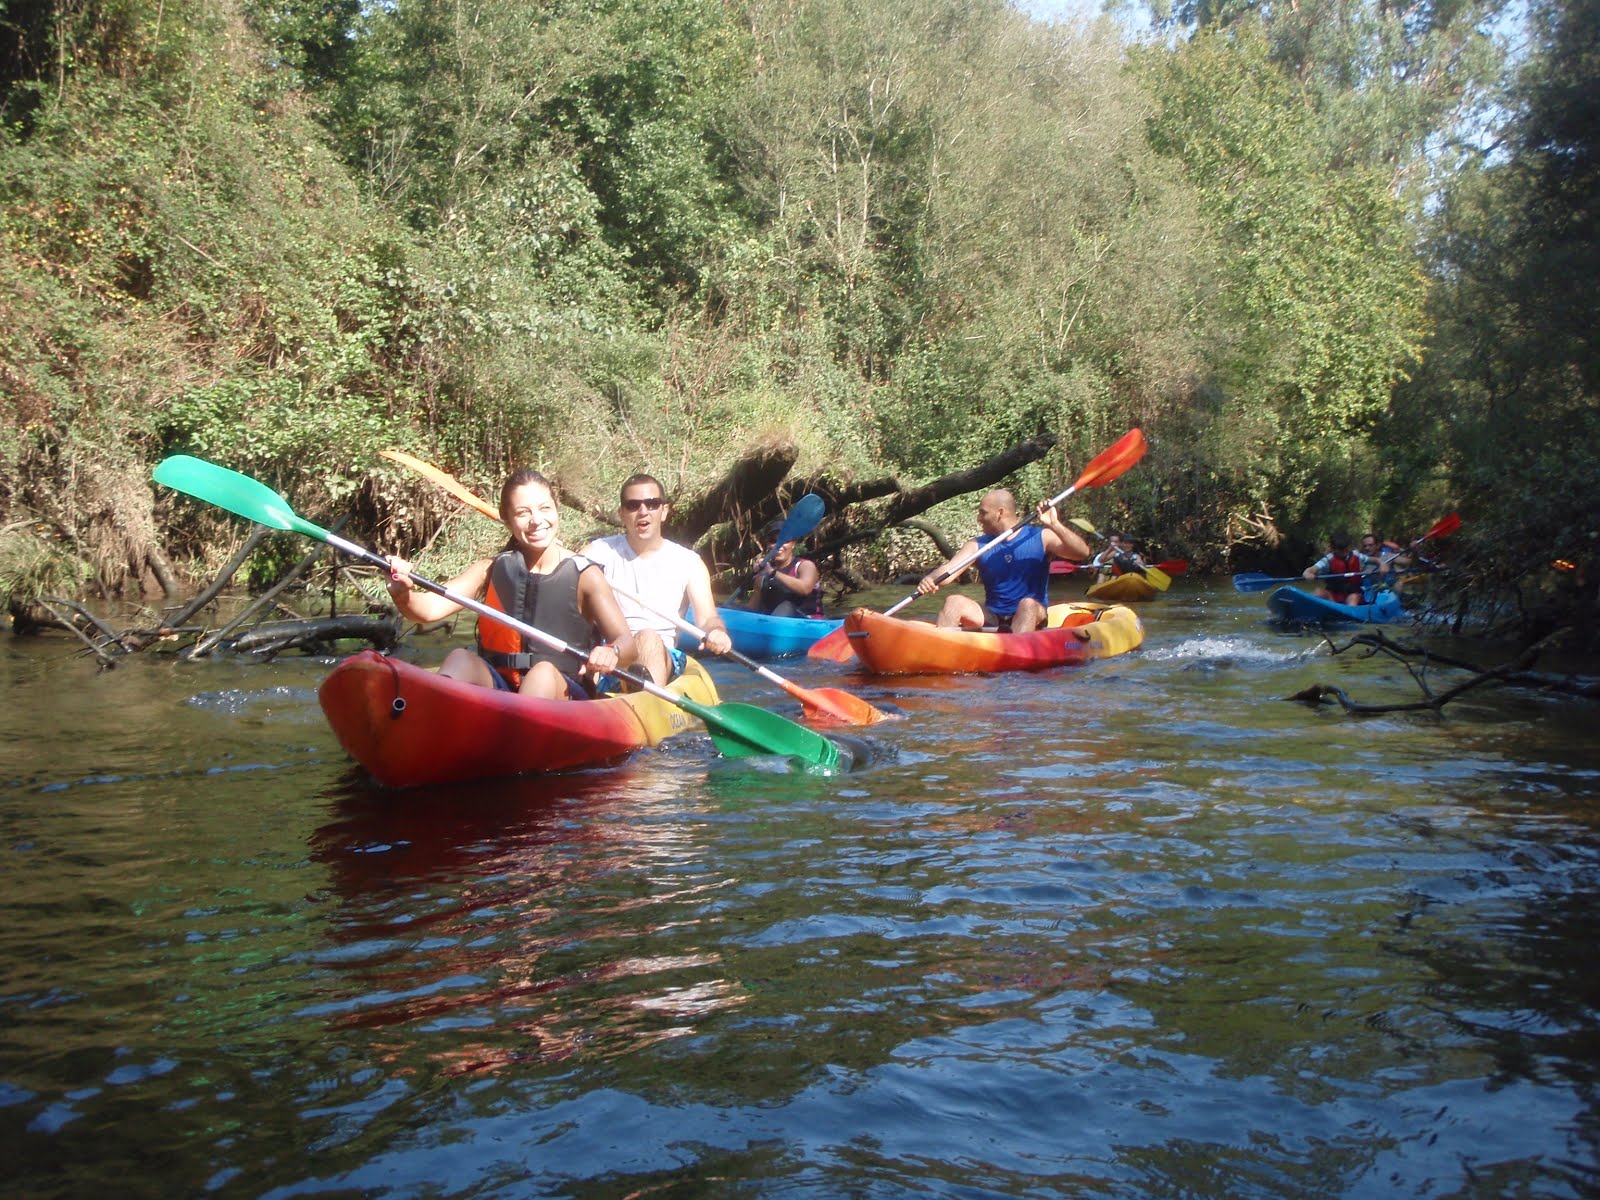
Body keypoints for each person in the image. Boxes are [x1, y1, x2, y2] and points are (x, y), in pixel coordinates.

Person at [384, 469, 635, 700]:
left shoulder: (585, 575)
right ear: (507, 519)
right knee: (460, 658)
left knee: (542, 673)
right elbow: (428, 610)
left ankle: (517, 738)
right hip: (502, 688)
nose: (537, 520)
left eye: (544, 508)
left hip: (565, 693)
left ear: (557, 511)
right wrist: (403, 594)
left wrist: (611, 652)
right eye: (523, 512)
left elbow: (627, 643)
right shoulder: (489, 569)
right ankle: (433, 721)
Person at [580, 473, 732, 684]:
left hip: (663, 655)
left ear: (664, 511)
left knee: (647, 638)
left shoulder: (689, 562)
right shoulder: (597, 553)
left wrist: (717, 632)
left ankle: (645, 703)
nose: (643, 512)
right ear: (622, 513)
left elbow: (707, 618)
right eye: (633, 505)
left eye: (652, 504)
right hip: (610, 654)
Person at [916, 488, 1092, 631]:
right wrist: (931, 579)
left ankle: (1015, 663)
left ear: (1000, 513)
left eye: (983, 513)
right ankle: (942, 650)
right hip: (994, 616)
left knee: (1027, 604)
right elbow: (949, 570)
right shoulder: (978, 545)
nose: (979, 519)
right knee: (954, 601)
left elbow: (1082, 552)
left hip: (1032, 615)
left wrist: (1055, 524)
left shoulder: (1041, 537)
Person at [750, 519, 824, 617]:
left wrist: (772, 572)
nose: (778, 546)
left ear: (793, 543)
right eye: (773, 541)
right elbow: (752, 610)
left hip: (807, 624)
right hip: (773, 624)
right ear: (768, 545)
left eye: (784, 541)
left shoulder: (805, 566)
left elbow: (805, 589)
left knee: (786, 607)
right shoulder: (762, 576)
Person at [1303, 532, 1373, 606]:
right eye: (1340, 550)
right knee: (1318, 592)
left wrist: (1381, 564)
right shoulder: (1329, 559)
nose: (1343, 553)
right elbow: (1312, 569)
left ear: (1349, 547)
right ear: (1333, 549)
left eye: (1345, 549)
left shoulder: (1356, 555)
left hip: (1353, 594)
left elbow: (1373, 560)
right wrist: (1307, 573)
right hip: (1333, 595)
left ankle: (1348, 614)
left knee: (1353, 598)